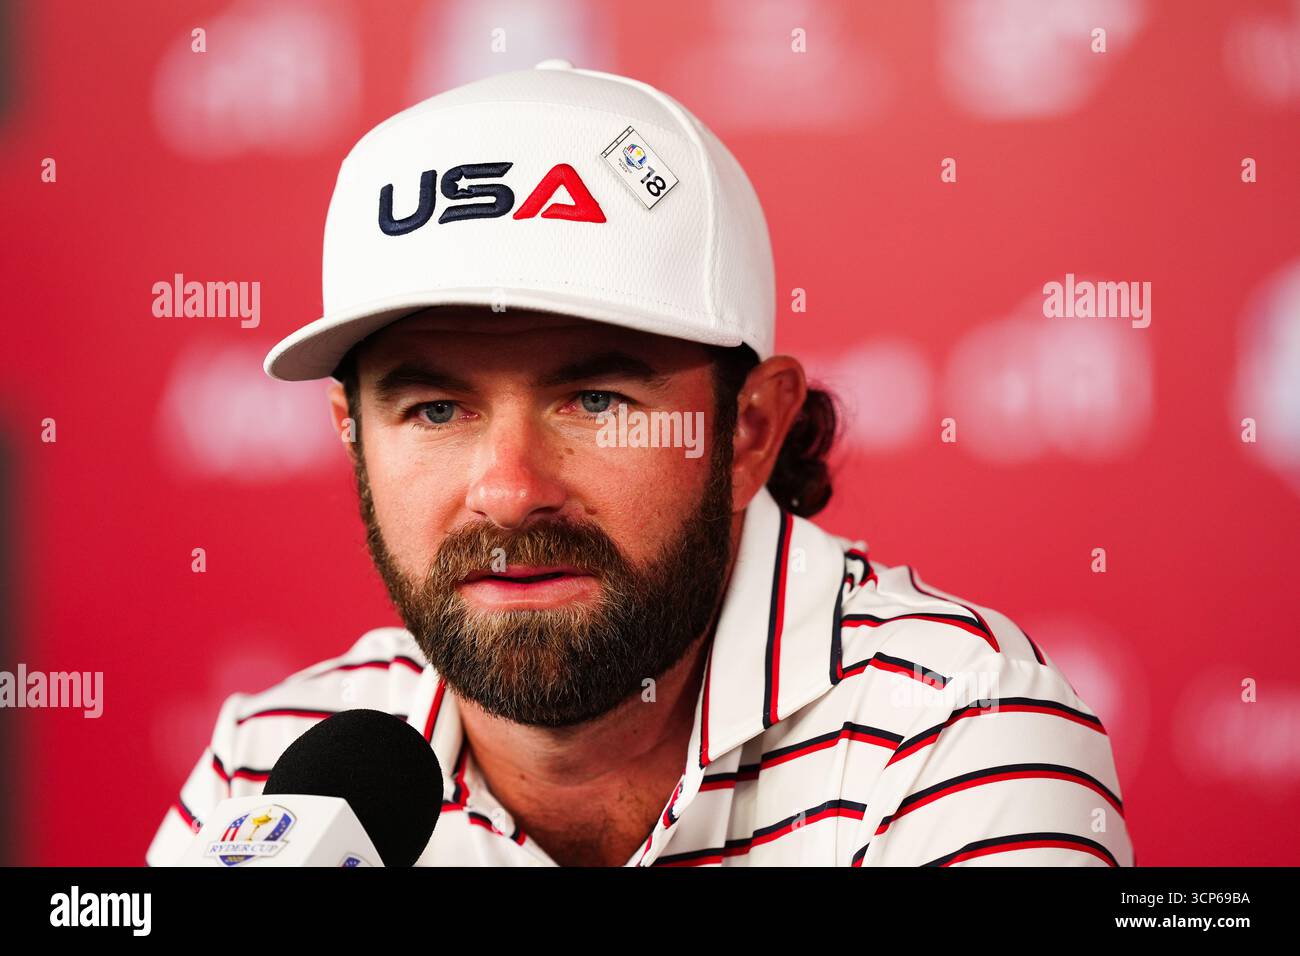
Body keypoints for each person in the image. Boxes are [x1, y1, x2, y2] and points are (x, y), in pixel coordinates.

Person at [146, 61, 1133, 867]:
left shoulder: (958, 733)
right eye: (436, 408)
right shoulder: (268, 767)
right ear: (351, 433)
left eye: (595, 401)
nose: (508, 488)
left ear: (749, 432)